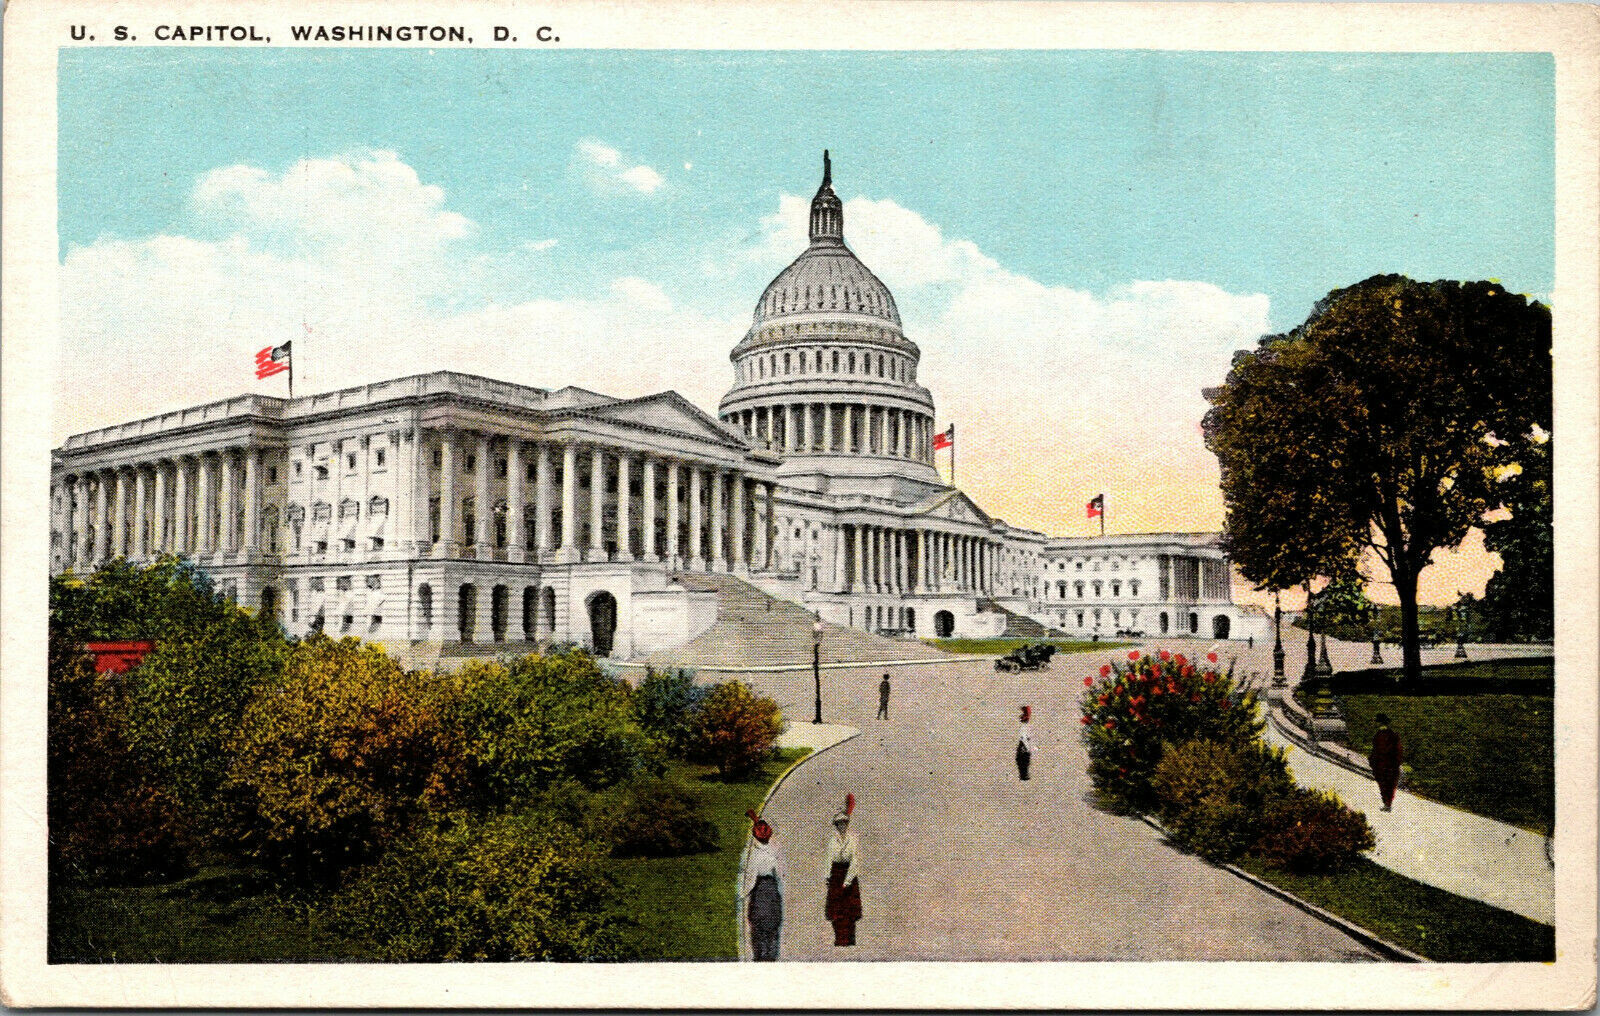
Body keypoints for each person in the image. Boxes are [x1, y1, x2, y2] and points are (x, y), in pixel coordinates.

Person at [741, 809, 785, 960]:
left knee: (765, 924)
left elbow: (778, 872)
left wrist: (743, 894)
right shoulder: (760, 850)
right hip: (764, 889)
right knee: (765, 924)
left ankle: (765, 956)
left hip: (765, 889)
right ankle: (765, 956)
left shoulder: (765, 850)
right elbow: (779, 874)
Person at [824, 793, 862, 946]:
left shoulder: (853, 839)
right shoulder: (833, 840)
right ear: (836, 825)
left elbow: (855, 861)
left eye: (844, 823)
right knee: (837, 909)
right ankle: (840, 938)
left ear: (847, 824)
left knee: (849, 909)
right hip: (836, 874)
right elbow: (829, 858)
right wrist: (827, 876)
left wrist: (848, 880)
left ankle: (850, 938)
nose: (842, 826)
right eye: (839, 824)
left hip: (848, 875)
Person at [1368, 712, 1404, 811]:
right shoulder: (1393, 735)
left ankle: (1387, 803)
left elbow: (1375, 750)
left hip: (1382, 764)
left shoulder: (1377, 735)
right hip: (1391, 764)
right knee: (1390, 784)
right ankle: (1388, 803)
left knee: (1383, 784)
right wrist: (1397, 762)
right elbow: (1399, 750)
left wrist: (1372, 761)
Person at [1016, 705, 1034, 781]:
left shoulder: (1024, 726)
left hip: (1023, 745)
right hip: (1024, 745)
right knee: (1023, 760)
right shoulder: (1024, 726)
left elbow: (1024, 737)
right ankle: (1024, 776)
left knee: (1022, 760)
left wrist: (1027, 747)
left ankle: (1023, 775)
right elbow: (1024, 737)